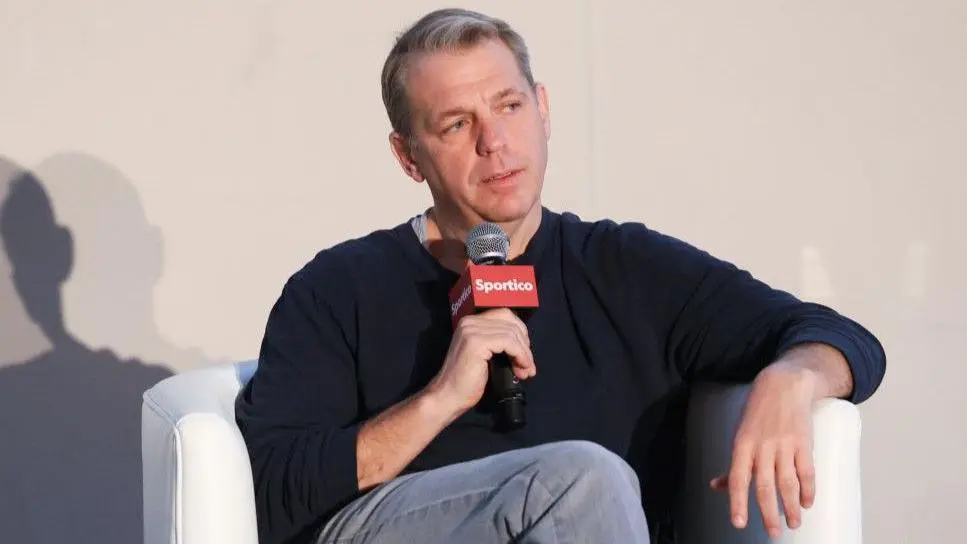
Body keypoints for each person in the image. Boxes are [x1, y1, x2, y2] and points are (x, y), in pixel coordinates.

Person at [235, 8, 886, 544]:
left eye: (509, 106)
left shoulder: (626, 267)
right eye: (457, 124)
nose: (494, 142)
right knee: (581, 479)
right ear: (409, 157)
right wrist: (439, 401)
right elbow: (271, 492)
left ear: (542, 110)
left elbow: (837, 338)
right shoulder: (337, 289)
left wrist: (792, 378)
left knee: (583, 481)